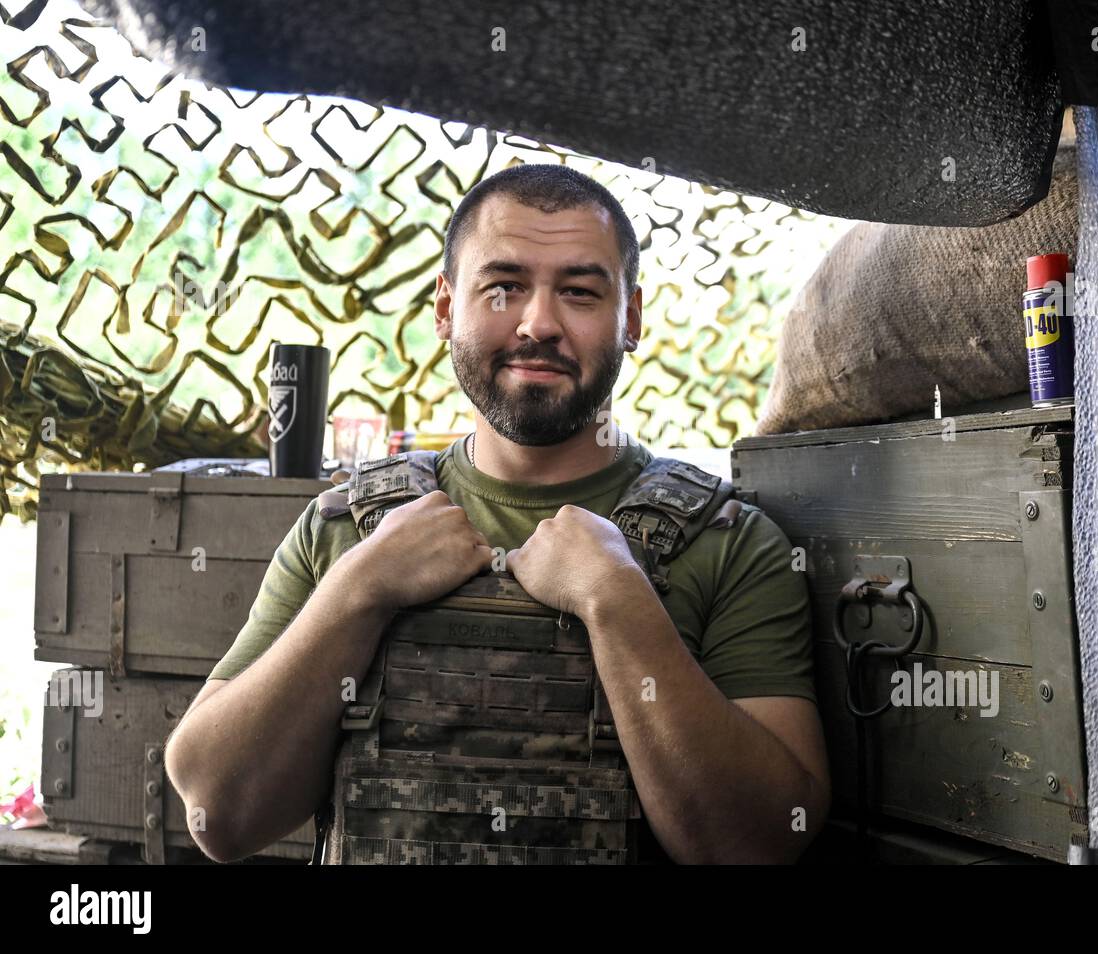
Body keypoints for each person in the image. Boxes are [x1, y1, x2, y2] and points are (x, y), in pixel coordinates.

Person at [165, 164, 831, 864]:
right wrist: (359, 592)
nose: (538, 323)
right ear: (447, 308)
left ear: (629, 318)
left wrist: (617, 600)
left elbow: (763, 842)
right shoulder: (344, 529)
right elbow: (220, 815)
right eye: (504, 287)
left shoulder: (730, 544)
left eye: (578, 292)